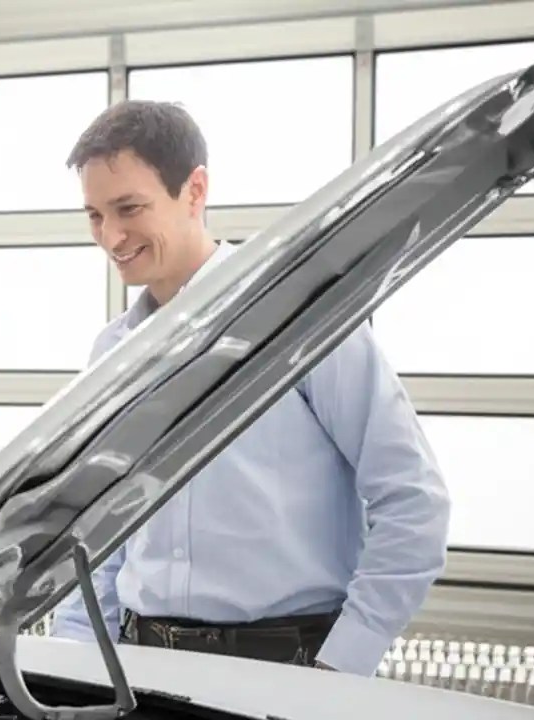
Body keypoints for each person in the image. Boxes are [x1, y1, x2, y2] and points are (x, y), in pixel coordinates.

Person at [48, 100, 451, 677]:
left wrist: (342, 663)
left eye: (129, 208)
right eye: (93, 215)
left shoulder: (306, 322)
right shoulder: (112, 354)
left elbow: (414, 501)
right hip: (138, 671)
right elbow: (98, 532)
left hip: (290, 669)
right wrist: (73, 656)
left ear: (194, 190)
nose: (110, 236)